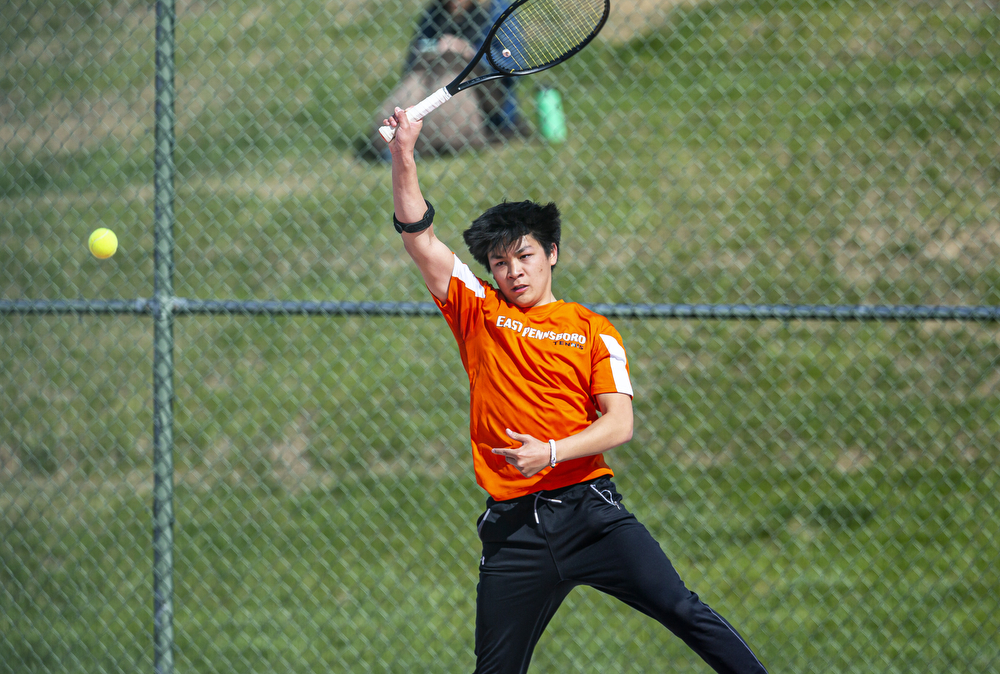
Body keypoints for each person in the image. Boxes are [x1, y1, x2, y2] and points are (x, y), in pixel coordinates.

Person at [381, 107, 769, 674]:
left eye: (525, 255)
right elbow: (420, 238)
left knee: (681, 607)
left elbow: (619, 424)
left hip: (590, 513)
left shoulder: (591, 331)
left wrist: (553, 452)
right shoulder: (477, 309)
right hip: (514, 529)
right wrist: (404, 155)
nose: (513, 271)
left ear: (552, 254)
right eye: (500, 261)